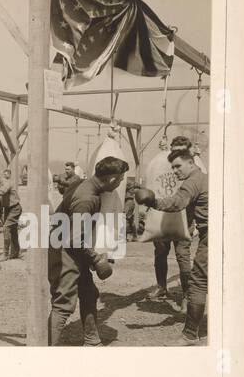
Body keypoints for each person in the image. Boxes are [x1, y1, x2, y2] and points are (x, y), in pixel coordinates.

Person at [48, 155, 129, 346]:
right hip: (64, 248)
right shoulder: (86, 198)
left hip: (70, 245)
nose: (121, 182)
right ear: (111, 178)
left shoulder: (85, 184)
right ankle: (42, 354)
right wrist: (95, 258)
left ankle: (92, 340)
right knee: (63, 303)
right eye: (120, 178)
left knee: (88, 293)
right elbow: (75, 239)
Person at [133, 147, 208, 343]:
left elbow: (177, 203)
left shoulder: (193, 181)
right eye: (172, 167)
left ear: (191, 163)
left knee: (198, 283)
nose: (175, 171)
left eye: (178, 166)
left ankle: (190, 334)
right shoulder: (206, 178)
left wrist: (153, 201)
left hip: (212, 237)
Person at [0, 168, 22, 260]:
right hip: (8, 208)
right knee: (13, 230)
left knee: (6, 228)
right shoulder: (0, 182)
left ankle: (5, 254)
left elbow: (2, 191)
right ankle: (16, 252)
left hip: (14, 208)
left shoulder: (6, 182)